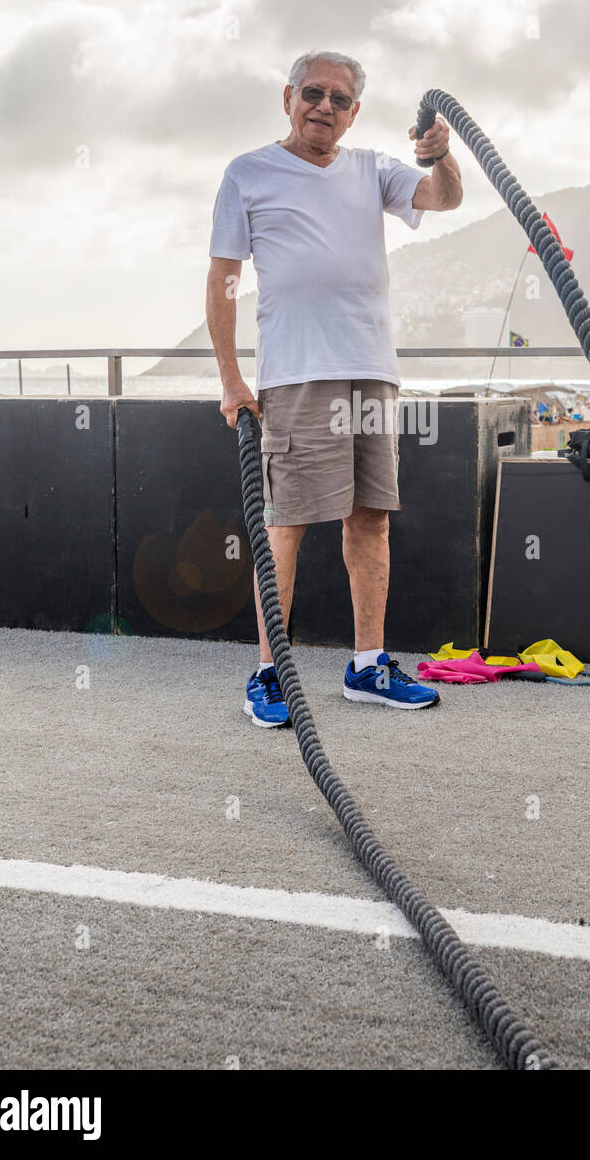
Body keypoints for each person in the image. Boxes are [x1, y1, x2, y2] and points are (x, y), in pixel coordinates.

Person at [206, 51, 463, 728]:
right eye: (313, 93)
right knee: (285, 524)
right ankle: (269, 673)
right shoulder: (248, 173)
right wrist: (231, 377)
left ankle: (367, 665)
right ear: (287, 97)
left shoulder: (371, 168)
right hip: (295, 372)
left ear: (354, 111)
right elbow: (223, 279)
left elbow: (443, 198)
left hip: (371, 369)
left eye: (339, 99)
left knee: (370, 516)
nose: (324, 106)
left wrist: (439, 155)